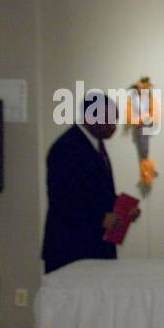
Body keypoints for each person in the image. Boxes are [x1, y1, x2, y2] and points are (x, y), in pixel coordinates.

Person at [41, 90, 140, 274]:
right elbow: (62, 200)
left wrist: (123, 209)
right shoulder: (66, 148)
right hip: (71, 250)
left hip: (96, 247)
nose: (114, 127)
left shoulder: (97, 146)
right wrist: (100, 219)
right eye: (109, 120)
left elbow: (96, 193)